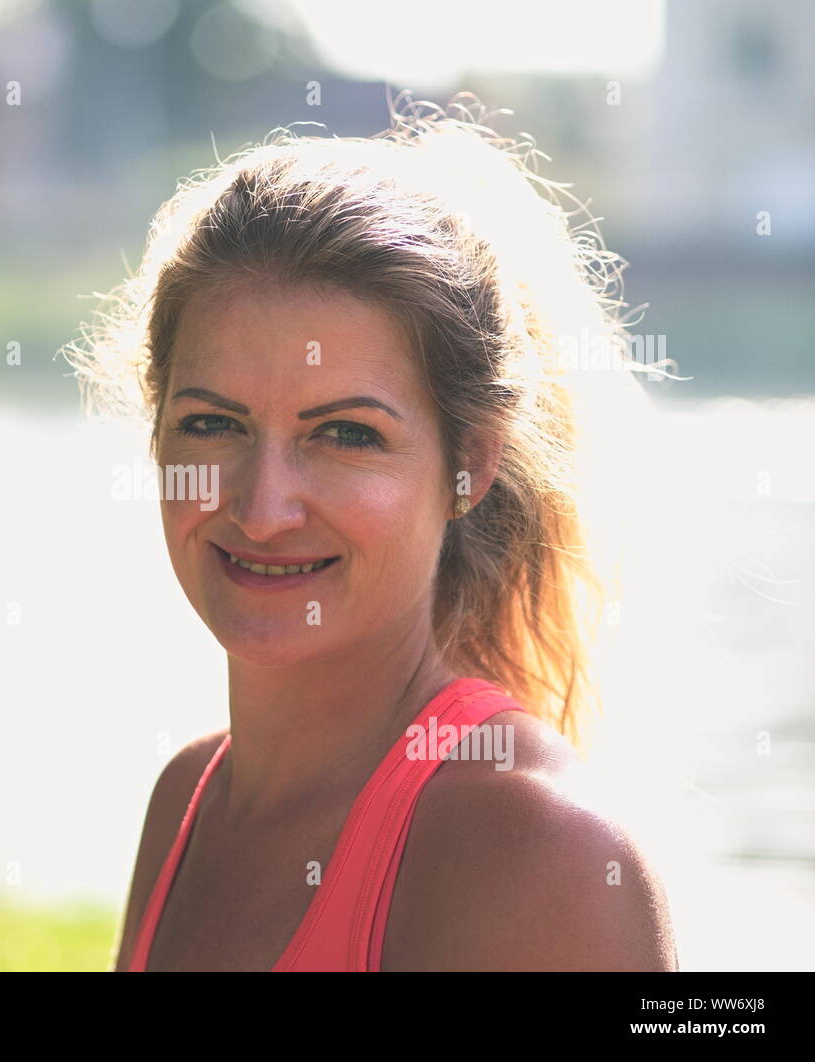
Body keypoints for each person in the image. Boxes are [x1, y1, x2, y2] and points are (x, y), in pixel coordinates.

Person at [64, 98, 678, 972]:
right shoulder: (188, 802)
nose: (263, 508)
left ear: (472, 464)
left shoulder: (534, 850)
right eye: (213, 425)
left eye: (346, 434)